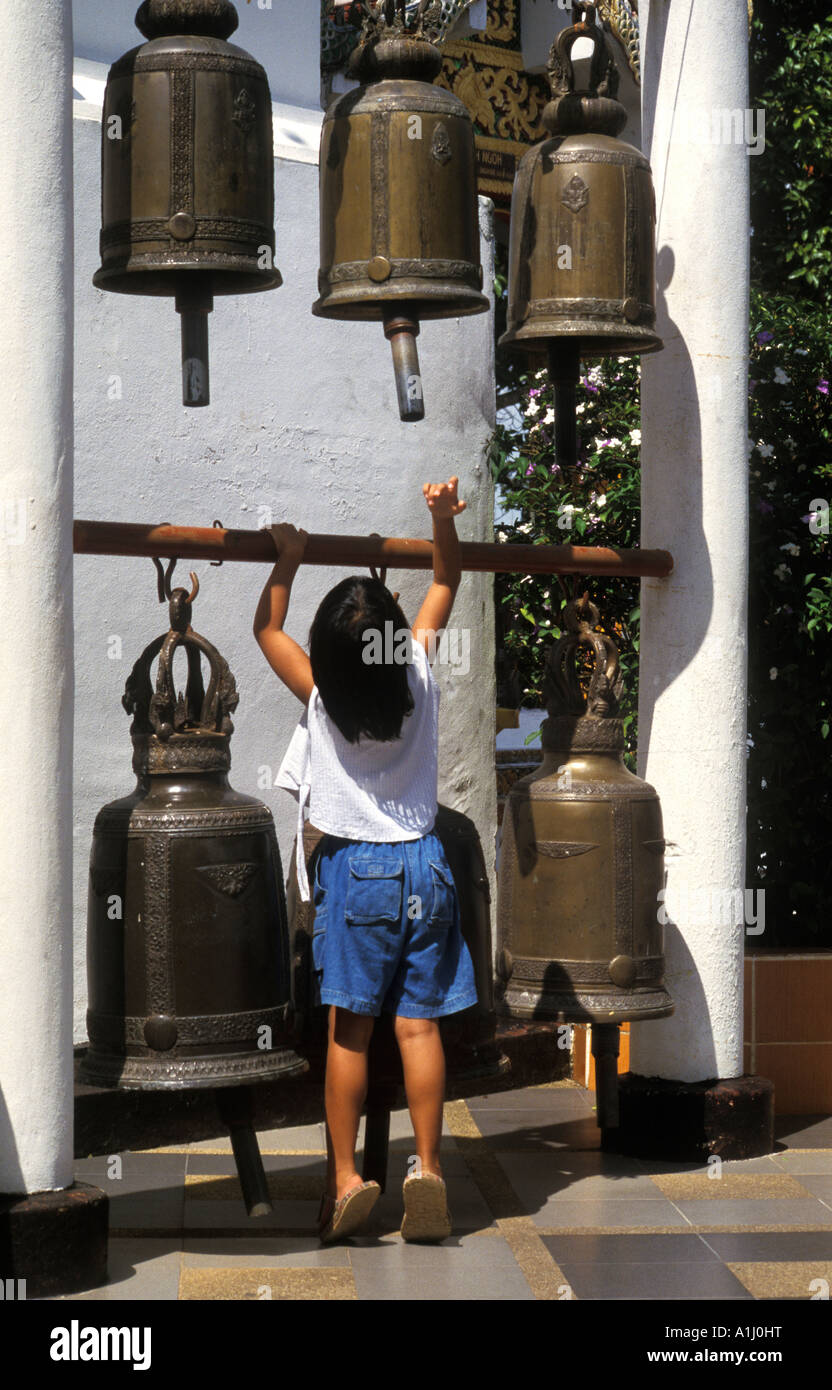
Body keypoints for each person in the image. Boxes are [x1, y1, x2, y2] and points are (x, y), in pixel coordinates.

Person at [252, 478, 478, 1244]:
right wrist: (441, 519)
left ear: (329, 657)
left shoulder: (319, 696)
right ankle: (429, 1168)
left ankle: (348, 1176)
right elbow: (447, 576)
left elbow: (266, 629)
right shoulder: (417, 673)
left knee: (349, 1033)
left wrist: (287, 559)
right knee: (419, 1030)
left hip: (358, 877)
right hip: (427, 865)